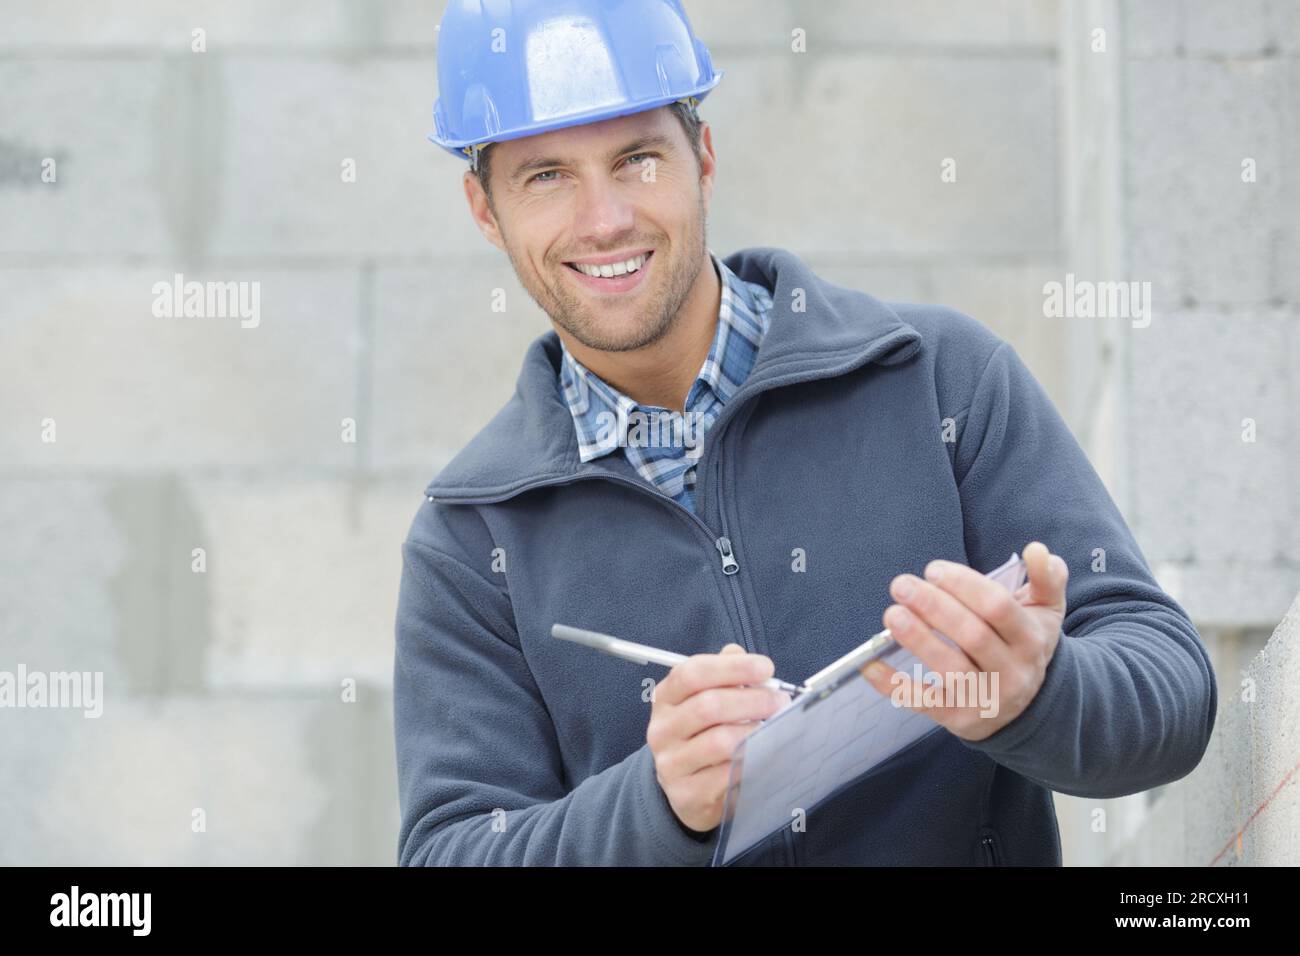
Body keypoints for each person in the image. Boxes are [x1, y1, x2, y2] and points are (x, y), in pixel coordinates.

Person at [393, 0, 1217, 866]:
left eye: (637, 159)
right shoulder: (468, 540)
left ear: (703, 159)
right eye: (546, 176)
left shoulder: (938, 377)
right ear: (485, 211)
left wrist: (1039, 695)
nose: (604, 220)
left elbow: (1173, 691)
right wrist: (657, 806)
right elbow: (454, 851)